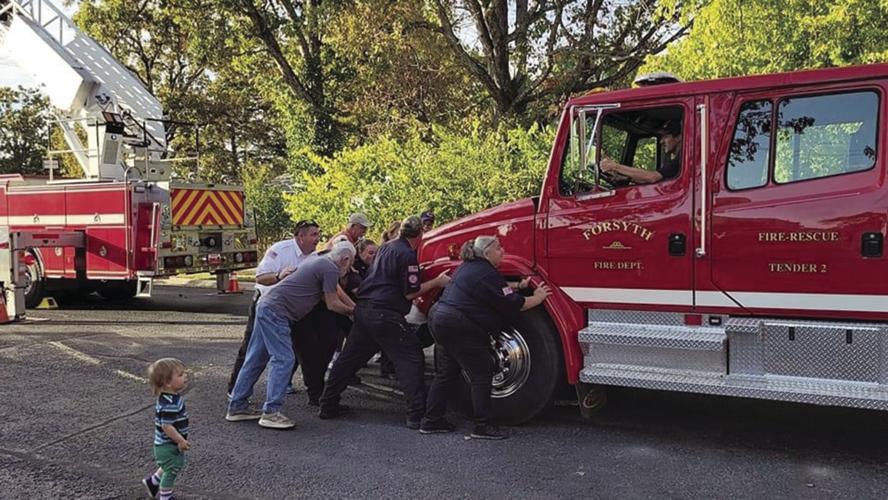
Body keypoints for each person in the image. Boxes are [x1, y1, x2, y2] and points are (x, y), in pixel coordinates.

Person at [318, 216, 451, 428]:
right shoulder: (407, 254)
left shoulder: (387, 247)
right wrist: (438, 281)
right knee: (410, 357)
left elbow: (390, 276)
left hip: (365, 309)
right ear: (419, 236)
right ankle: (416, 414)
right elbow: (410, 293)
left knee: (349, 359)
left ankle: (328, 404)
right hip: (385, 313)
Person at [420, 236, 551, 440]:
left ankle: (431, 421)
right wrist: (539, 297)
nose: (503, 251)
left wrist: (517, 285)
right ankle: (483, 426)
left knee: (446, 373)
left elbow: (497, 288)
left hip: (439, 318)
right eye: (499, 248)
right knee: (482, 372)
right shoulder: (487, 273)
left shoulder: (469, 267)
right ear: (487, 252)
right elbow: (516, 304)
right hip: (459, 324)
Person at [226, 242, 356, 429]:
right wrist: (355, 313)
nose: (349, 268)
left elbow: (330, 294)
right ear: (345, 259)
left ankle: (237, 406)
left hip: (266, 305)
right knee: (284, 358)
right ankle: (271, 412)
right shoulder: (329, 268)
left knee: (255, 358)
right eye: (350, 263)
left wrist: (353, 308)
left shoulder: (319, 263)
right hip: (277, 312)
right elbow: (332, 303)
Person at [226, 220, 320, 395]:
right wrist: (279, 275)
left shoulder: (314, 257)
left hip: (294, 308)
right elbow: (261, 277)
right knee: (252, 350)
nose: (318, 238)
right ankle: (235, 391)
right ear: (301, 237)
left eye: (318, 234)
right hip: (268, 304)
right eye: (314, 234)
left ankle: (315, 393)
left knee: (308, 345)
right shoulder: (281, 250)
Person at [142, 358, 190, 500]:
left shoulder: (171, 397)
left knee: (169, 464)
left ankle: (153, 481)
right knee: (173, 468)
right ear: (168, 383)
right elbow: (167, 426)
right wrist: (180, 440)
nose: (185, 376)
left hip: (167, 444)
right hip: (167, 445)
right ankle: (165, 497)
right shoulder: (168, 404)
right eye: (181, 375)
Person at [599, 121, 682, 184]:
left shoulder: (680, 161)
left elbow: (652, 177)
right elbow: (651, 179)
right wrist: (627, 178)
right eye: (661, 137)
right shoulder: (671, 159)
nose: (661, 142)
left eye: (666, 137)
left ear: (678, 137)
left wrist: (615, 167)